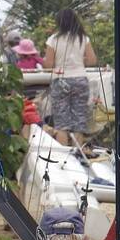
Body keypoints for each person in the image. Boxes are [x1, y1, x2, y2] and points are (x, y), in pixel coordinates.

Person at [43, 8, 97, 145]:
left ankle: (63, 157)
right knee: (79, 121)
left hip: (61, 80)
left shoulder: (53, 39)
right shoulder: (83, 38)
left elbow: (48, 64)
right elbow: (92, 60)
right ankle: (78, 154)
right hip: (80, 79)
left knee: (62, 123)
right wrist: (79, 61)